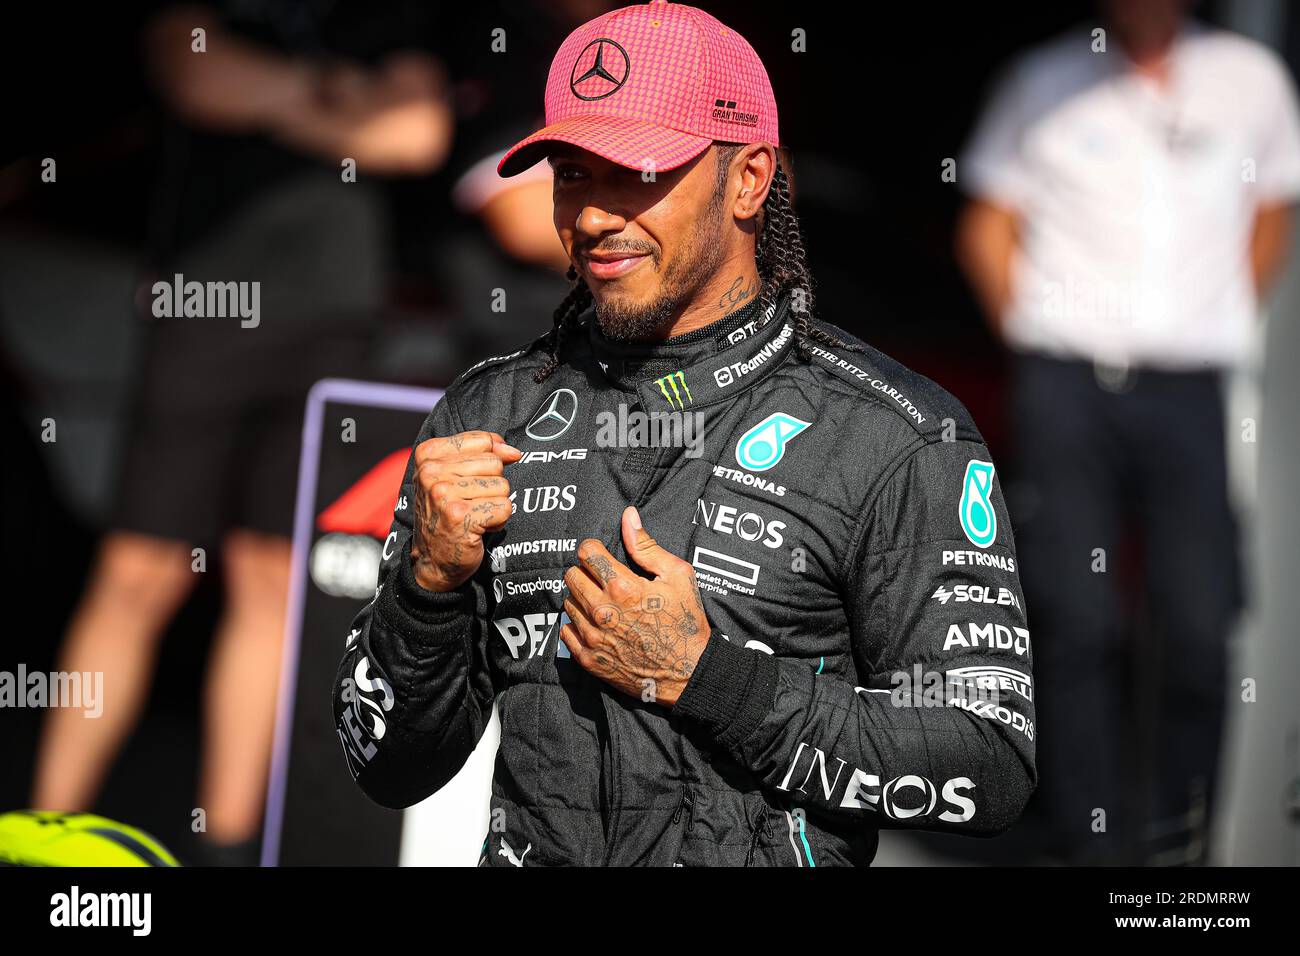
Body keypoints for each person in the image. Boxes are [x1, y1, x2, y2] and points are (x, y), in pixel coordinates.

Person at [334, 0, 1036, 866]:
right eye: (572, 174)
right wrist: (426, 588)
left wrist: (712, 680)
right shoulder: (487, 416)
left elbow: (992, 767)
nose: (591, 216)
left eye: (635, 173)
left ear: (747, 180)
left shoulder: (896, 437)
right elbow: (386, 766)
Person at [32, 0, 454, 865]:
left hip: (335, 324)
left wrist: (281, 94)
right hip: (204, 306)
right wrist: (338, 97)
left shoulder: (388, 14)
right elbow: (195, 77)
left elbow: (412, 135)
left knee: (270, 578)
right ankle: (40, 833)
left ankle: (224, 847)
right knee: (139, 569)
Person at [955, 0, 1300, 864]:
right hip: (1070, 385)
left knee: (1197, 622)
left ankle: (1183, 842)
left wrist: (1204, 318)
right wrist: (1035, 337)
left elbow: (1272, 211)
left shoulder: (1250, 80)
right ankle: (1088, 843)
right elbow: (987, 222)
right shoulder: (1045, 79)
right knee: (1077, 617)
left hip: (1188, 390)